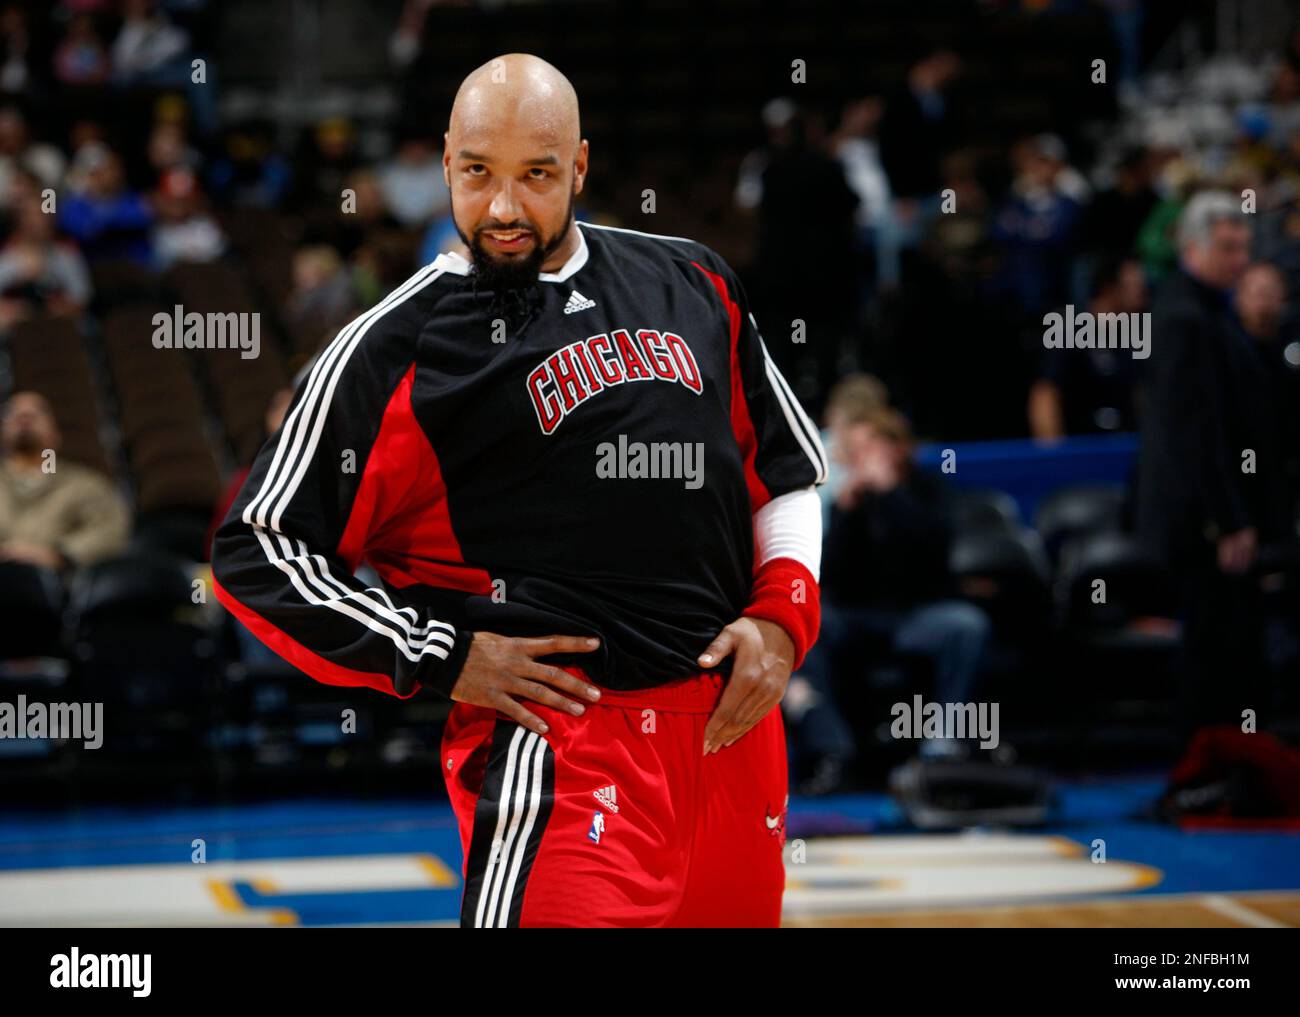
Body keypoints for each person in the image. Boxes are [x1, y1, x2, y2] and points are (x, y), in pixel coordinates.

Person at [211, 53, 827, 928]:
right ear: (445, 163)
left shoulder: (693, 280)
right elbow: (258, 544)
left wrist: (781, 616)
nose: (502, 209)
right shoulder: (394, 346)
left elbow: (788, 472)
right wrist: (438, 654)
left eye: (535, 175)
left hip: (732, 739)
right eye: (476, 174)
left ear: (578, 167)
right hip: (562, 750)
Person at [1136, 192, 1291, 738]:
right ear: (1192, 248)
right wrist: (1226, 521)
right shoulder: (1183, 318)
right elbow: (1194, 434)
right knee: (1215, 651)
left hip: (1218, 514)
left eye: (1245, 247)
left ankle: (1233, 766)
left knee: (1235, 649)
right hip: (1202, 524)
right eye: (1228, 248)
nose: (1240, 260)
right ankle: (1208, 771)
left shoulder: (1208, 312)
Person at [788, 405, 990, 793]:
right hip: (858, 618)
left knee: (966, 625)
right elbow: (827, 575)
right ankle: (832, 749)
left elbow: (935, 551)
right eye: (855, 451)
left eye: (869, 449)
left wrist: (891, 494)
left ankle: (944, 744)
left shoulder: (928, 488)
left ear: (896, 448)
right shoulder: (849, 501)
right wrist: (845, 514)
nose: (860, 460)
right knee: (808, 625)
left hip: (918, 615)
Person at [0, 391, 129, 570]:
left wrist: (59, 555)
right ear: (3, 432)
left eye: (37, 412)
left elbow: (111, 531)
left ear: (55, 435)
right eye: (13, 412)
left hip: (66, 587)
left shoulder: (85, 485)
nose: (24, 416)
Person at [1028, 256, 1146, 440]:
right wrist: (1055, 458)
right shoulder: (1067, 332)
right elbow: (1046, 396)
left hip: (1126, 446)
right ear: (1109, 289)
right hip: (1081, 449)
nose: (1142, 291)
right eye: (1132, 285)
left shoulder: (1136, 336)